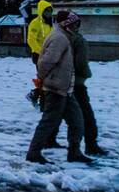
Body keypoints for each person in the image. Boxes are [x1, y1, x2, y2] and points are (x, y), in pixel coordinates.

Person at [26, 10, 93, 166]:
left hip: (65, 88)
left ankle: (74, 152)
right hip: (56, 88)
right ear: (67, 24)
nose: (77, 27)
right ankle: (33, 153)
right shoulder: (59, 39)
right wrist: (45, 80)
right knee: (49, 121)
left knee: (77, 120)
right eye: (75, 23)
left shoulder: (63, 36)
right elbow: (45, 63)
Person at [65, 15, 106, 156]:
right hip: (76, 83)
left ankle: (48, 142)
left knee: (56, 116)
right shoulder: (79, 40)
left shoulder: (57, 38)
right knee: (86, 116)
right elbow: (81, 63)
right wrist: (86, 74)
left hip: (61, 82)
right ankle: (91, 145)